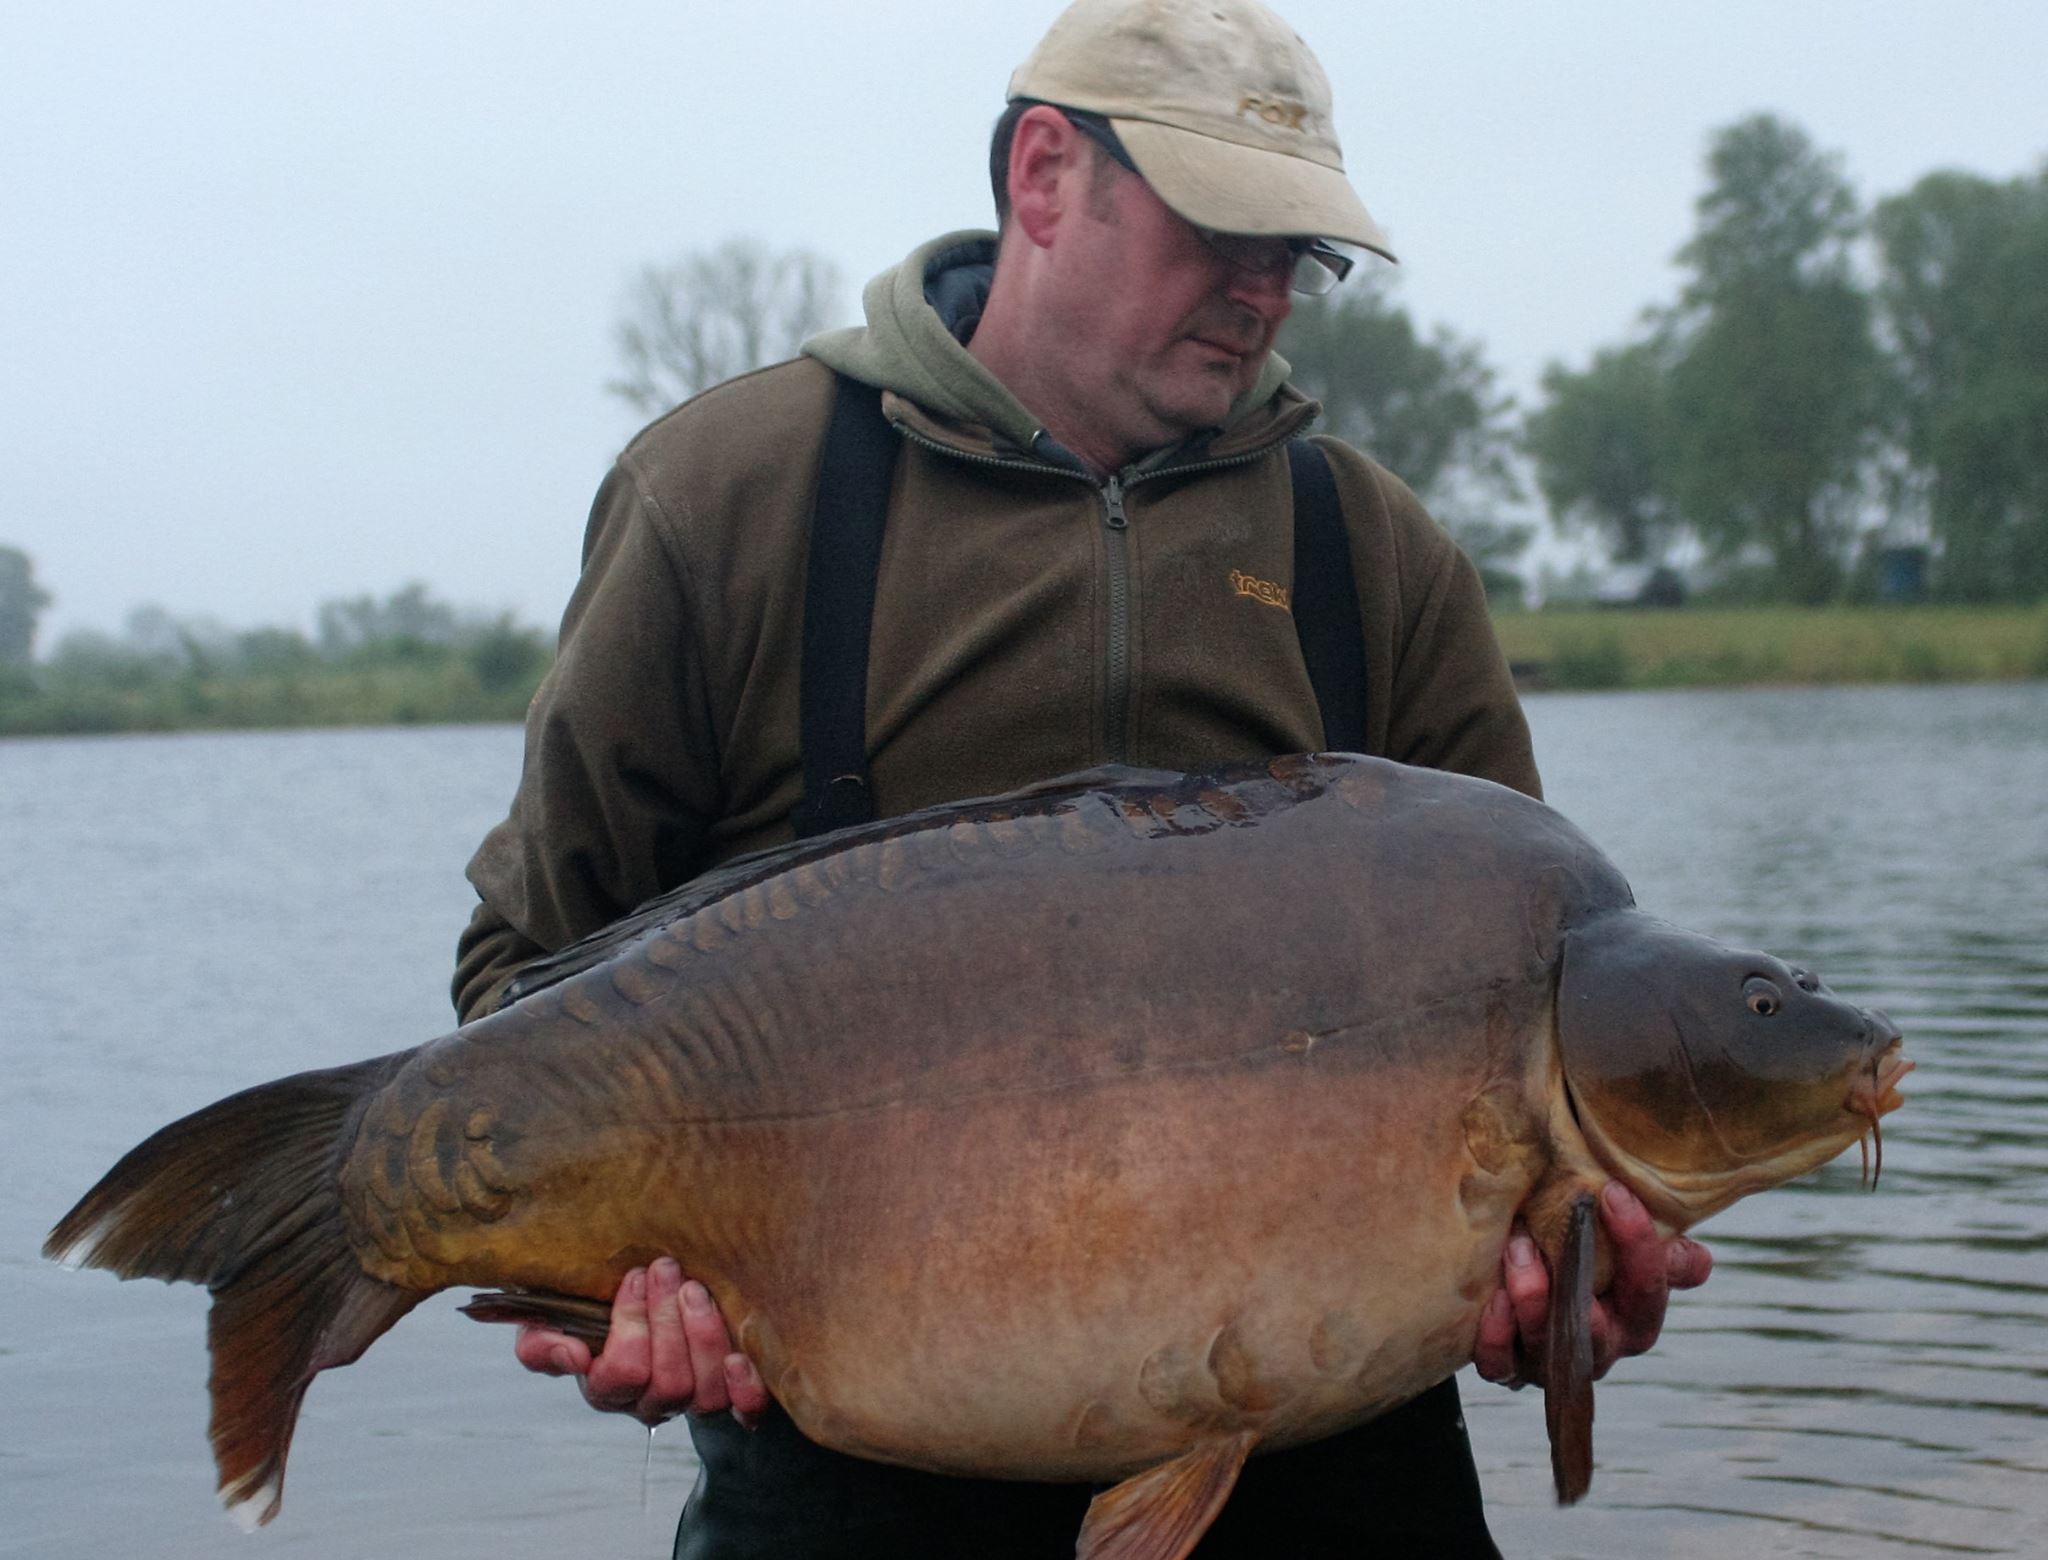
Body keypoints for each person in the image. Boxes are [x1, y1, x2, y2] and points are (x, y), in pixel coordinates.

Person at [452, 1, 1712, 1553]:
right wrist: (610, 1291)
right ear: (1045, 175)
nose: (1264, 292)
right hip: (846, 1461)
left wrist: (1578, 1284)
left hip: (1331, 1472)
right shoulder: (728, 498)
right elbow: (524, 992)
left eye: (1298, 254)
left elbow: (1541, 1012)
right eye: (1222, 229)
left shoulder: (1373, 553)